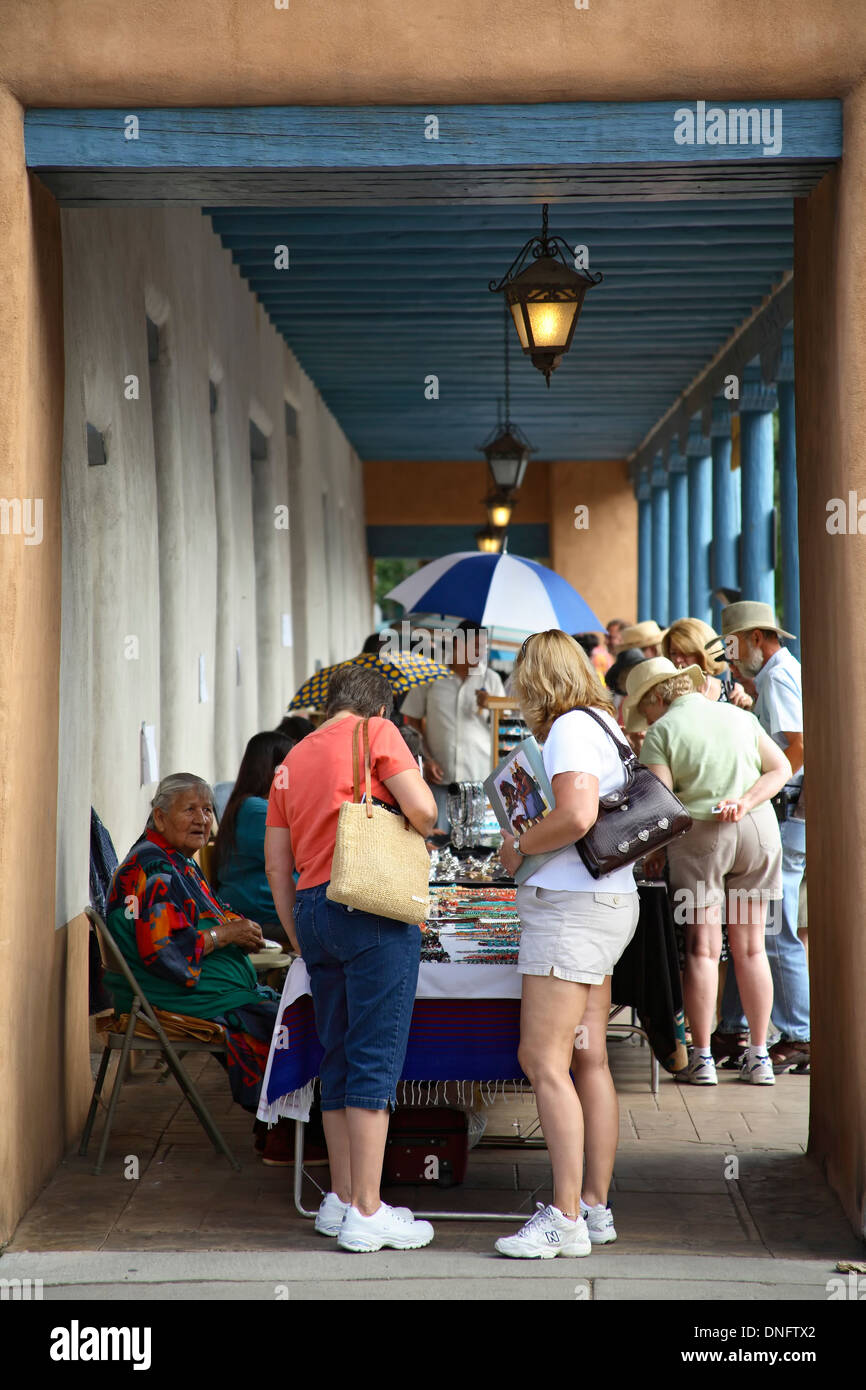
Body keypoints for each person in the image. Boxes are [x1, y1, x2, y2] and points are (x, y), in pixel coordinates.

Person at [265, 664, 439, 1253]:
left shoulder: (290, 760)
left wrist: (297, 934)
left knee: (337, 1054)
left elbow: (275, 864)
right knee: (374, 1055)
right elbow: (426, 814)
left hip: (314, 910)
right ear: (379, 710)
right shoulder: (378, 734)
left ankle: (340, 1200)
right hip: (371, 907)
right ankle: (368, 1209)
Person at [494, 630, 640, 1258]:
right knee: (589, 1059)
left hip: (570, 912)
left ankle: (564, 1217)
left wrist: (519, 844)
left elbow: (577, 815)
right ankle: (592, 1205)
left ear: (537, 681)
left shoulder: (568, 732)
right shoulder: (604, 724)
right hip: (602, 905)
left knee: (543, 1059)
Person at [623, 657, 791, 1087]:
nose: (650, 719)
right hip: (758, 831)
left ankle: (702, 1060)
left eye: (649, 708)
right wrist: (746, 801)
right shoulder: (740, 716)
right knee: (752, 948)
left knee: (702, 949)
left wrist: (655, 853)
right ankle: (759, 1056)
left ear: (659, 697)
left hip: (700, 839)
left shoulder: (661, 732)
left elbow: (661, 807)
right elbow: (781, 768)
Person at [103, 774, 280, 1123]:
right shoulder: (155, 869)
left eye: (208, 809)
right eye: (190, 809)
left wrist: (239, 927)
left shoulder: (177, 861)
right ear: (159, 817)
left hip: (202, 989)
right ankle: (285, 1128)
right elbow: (165, 951)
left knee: (290, 1013)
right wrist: (226, 935)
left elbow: (207, 911)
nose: (203, 818)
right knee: (289, 1025)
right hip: (166, 995)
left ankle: (282, 1126)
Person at [713, 602, 809, 1074]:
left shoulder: (775, 676)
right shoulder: (773, 675)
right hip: (786, 806)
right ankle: (732, 1025)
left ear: (755, 638)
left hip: (788, 808)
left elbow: (799, 745)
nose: (730, 659)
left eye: (732, 646)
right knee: (750, 928)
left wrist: (760, 790)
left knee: (775, 926)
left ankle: (798, 1033)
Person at [401, 620, 505, 830]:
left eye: (483, 648)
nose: (480, 653)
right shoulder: (430, 675)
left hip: (480, 779)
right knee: (438, 840)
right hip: (439, 779)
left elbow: (504, 727)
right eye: (475, 647)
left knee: (478, 846)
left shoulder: (491, 680)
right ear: (457, 644)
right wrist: (426, 759)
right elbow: (411, 718)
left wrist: (492, 705)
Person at [211, 731, 294, 947]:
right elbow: (300, 853)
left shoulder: (252, 805)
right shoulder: (255, 809)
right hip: (257, 915)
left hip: (265, 909)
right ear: (275, 770)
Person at [663, 616, 753, 708]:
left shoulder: (732, 691)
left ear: (704, 654)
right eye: (673, 653)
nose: (678, 660)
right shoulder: (665, 694)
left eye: (685, 653)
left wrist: (746, 705)